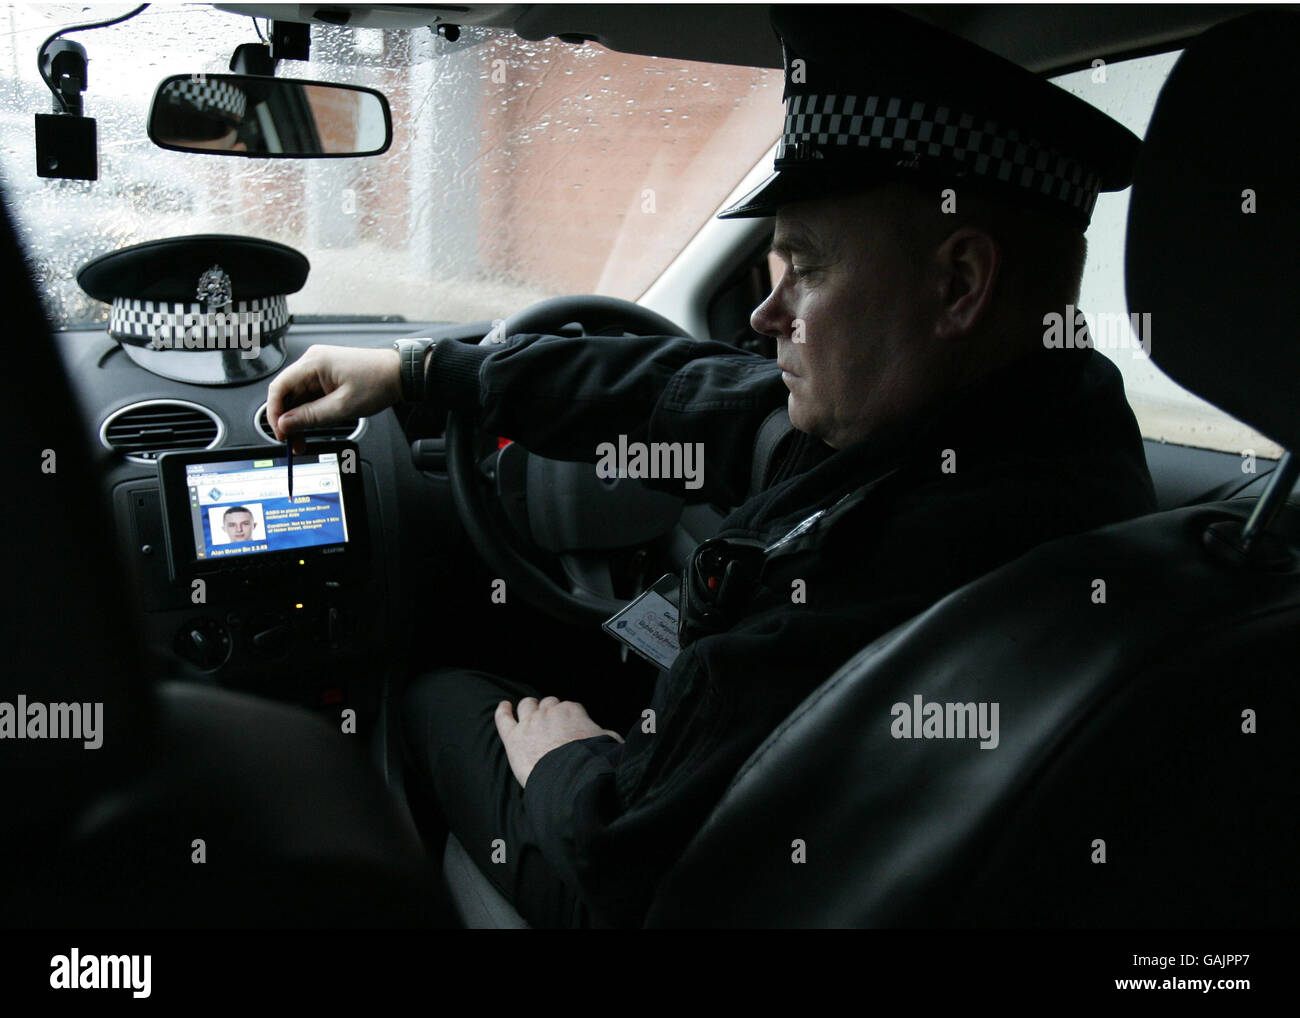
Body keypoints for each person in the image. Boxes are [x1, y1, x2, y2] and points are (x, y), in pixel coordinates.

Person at [266, 5, 1156, 928]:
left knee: (441, 694)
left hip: (656, 881)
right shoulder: (1052, 437)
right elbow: (703, 393)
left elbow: (617, 855)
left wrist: (565, 760)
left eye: (803, 271)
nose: (765, 316)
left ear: (959, 285)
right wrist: (422, 371)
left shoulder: (857, 575)